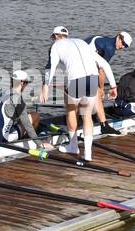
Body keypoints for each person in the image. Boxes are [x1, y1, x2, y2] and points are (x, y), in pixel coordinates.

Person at [43, 28, 117, 162]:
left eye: (52, 38)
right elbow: (104, 64)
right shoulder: (82, 42)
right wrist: (113, 86)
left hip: (77, 80)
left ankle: (73, 146)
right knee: (86, 114)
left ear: (55, 36)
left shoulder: (56, 45)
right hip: (93, 79)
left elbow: (51, 67)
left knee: (71, 109)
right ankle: (88, 154)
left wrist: (45, 86)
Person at [0, 69, 40, 143]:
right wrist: (40, 144)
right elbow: (27, 125)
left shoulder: (4, 93)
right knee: (35, 116)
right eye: (27, 83)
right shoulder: (18, 100)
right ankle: (28, 142)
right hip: (2, 139)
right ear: (22, 83)